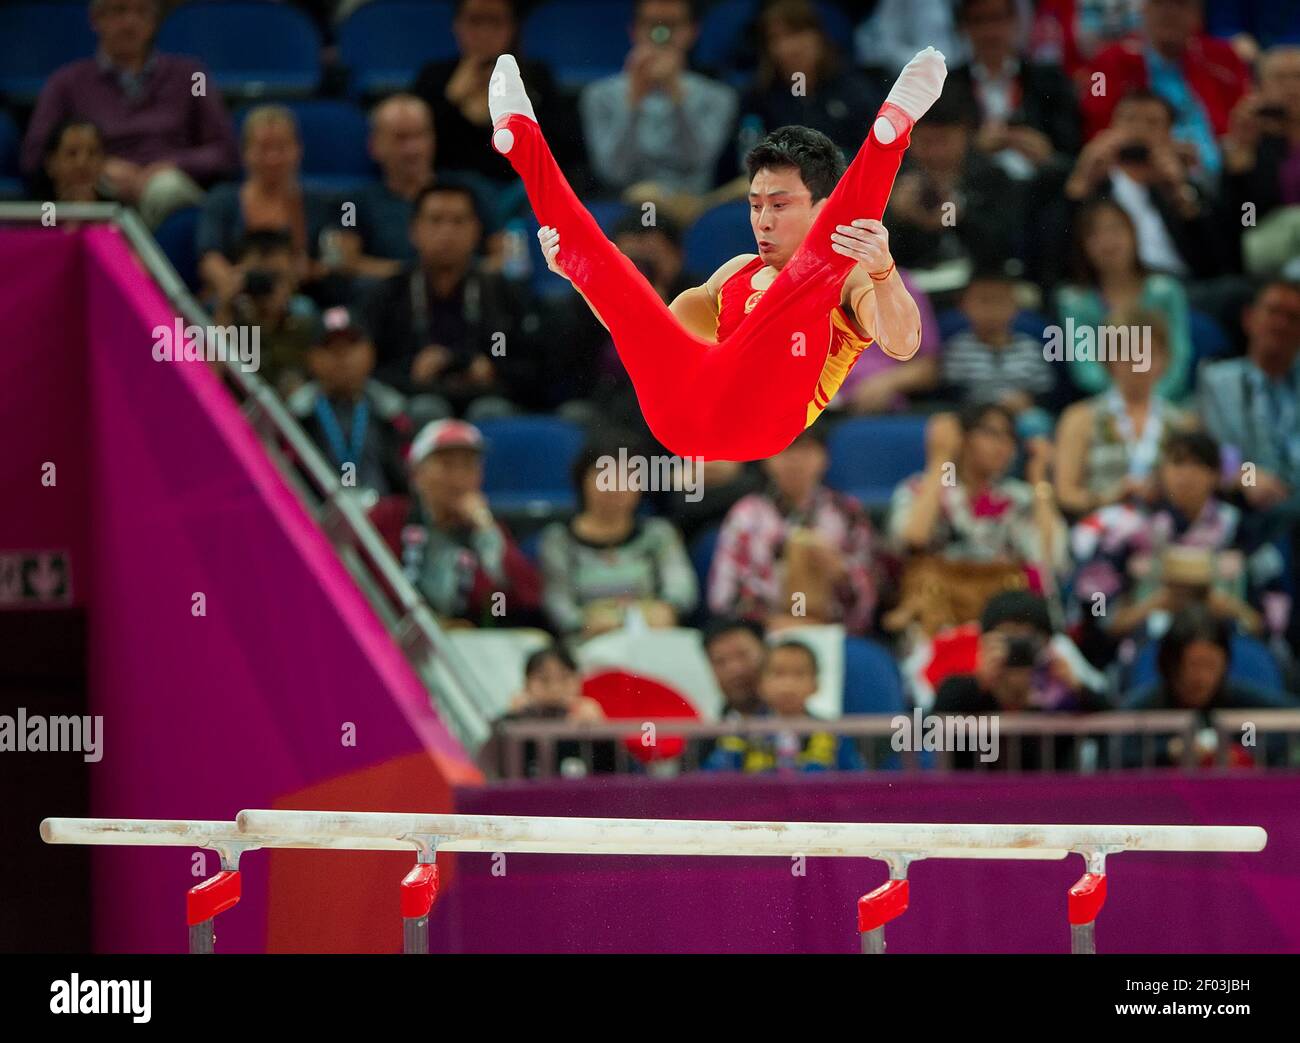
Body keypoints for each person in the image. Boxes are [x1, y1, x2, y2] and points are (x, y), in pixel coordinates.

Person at [493, 47, 947, 460]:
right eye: (755, 205)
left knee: (826, 265)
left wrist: (884, 273)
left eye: (781, 205)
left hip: (763, 425)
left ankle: (891, 132)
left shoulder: (851, 279)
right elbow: (646, 333)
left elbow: (903, 345)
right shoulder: (734, 273)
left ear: (822, 209)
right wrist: (586, 275)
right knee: (616, 275)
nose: (763, 221)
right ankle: (522, 139)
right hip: (678, 416)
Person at [20, 0, 238, 227]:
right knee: (81, 193)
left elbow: (224, 151)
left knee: (166, 189)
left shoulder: (194, 77)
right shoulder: (64, 82)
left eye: (141, 12)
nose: (130, 22)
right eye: (119, 10)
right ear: (96, 20)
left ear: (155, 22)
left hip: (169, 190)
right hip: (99, 188)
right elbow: (35, 155)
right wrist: (97, 165)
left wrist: (172, 164)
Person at [886, 404, 1068, 634]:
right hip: (940, 620)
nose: (1003, 445)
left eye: (1010, 437)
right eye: (991, 433)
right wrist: (941, 459)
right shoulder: (919, 489)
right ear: (962, 437)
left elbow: (1051, 557)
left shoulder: (1017, 497)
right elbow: (914, 538)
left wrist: (1040, 480)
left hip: (1003, 622)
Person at [364, 183, 542, 415]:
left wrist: (494, 369)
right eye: (436, 220)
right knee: (425, 410)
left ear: (476, 231)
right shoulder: (388, 294)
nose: (447, 232)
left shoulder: (504, 292)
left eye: (458, 221)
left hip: (487, 399)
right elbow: (368, 370)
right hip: (416, 401)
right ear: (414, 231)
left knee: (491, 411)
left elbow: (535, 366)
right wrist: (410, 371)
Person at [708, 427, 878, 635]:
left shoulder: (848, 513)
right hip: (763, 634)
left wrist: (841, 572)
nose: (795, 461)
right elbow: (723, 598)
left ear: (824, 457)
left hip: (833, 633)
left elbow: (869, 602)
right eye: (785, 450)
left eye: (805, 450)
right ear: (766, 459)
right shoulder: (746, 515)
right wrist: (768, 623)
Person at [932, 591, 1111, 770]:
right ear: (986, 641)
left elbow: (1113, 726)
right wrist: (979, 682)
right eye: (1008, 638)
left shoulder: (1059, 700)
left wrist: (1076, 686)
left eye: (1027, 639)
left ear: (1047, 643)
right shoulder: (961, 691)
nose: (1017, 649)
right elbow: (932, 727)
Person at [411, 0, 580, 190]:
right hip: (450, 193)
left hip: (521, 191)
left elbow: (562, 150)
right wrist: (451, 99)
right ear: (457, 26)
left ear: (512, 27)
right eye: (475, 21)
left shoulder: (535, 77)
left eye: (495, 22)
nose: (484, 33)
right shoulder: (434, 77)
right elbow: (418, 147)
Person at [537, 441, 698, 639]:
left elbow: (680, 585)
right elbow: (557, 601)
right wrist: (583, 623)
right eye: (603, 475)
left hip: (651, 636)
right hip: (587, 641)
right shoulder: (558, 540)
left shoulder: (659, 534)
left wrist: (668, 609)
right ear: (582, 479)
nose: (613, 486)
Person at [578, 0, 738, 197]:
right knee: (644, 195)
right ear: (633, 30)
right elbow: (613, 174)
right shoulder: (599, 95)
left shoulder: (719, 96)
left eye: (673, 25)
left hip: (691, 207)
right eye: (651, 24)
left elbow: (697, 162)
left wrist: (677, 97)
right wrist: (633, 101)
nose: (661, 35)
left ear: (692, 32)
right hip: (624, 208)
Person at [1080, 0, 1252, 177]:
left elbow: (1242, 118)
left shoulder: (1224, 58)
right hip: (1143, 173)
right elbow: (1096, 124)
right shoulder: (1107, 62)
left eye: (1181, 5)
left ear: (1199, 15)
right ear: (1143, 10)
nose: (1170, 13)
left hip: (1224, 177)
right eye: (1160, 3)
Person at [401, 418, 543, 628]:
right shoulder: (389, 518)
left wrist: (486, 528)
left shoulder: (488, 530)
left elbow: (527, 597)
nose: (458, 478)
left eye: (468, 466)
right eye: (446, 465)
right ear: (417, 473)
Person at [1063, 90, 1219, 279]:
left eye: (1152, 123)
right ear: (1112, 127)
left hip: (1179, 283)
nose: (1139, 130)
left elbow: (1218, 262)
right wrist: (1082, 180)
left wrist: (1181, 194)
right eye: (1129, 120)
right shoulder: (1094, 182)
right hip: (1112, 286)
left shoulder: (1183, 186)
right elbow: (1058, 250)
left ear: (1169, 134)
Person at [1054, 310, 1195, 518]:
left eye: (1147, 352)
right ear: (1108, 360)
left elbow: (1199, 491)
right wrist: (1109, 498)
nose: (1137, 362)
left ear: (1164, 360)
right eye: (1127, 353)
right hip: (1099, 531)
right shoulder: (1080, 419)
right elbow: (1065, 494)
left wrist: (1166, 491)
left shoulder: (1184, 424)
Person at [1120, 605, 1299, 767]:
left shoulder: (1239, 699)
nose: (1201, 678)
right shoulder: (1141, 708)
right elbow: (1118, 752)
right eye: (1193, 665)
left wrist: (1243, 751)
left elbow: (1291, 722)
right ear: (1169, 664)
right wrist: (1167, 751)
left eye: (1211, 665)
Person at [1053, 198, 1193, 400]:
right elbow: (1085, 368)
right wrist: (1124, 402)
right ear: (1082, 245)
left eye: (1115, 229)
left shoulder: (1167, 291)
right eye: (1095, 234)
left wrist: (1152, 402)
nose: (1107, 241)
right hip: (1105, 405)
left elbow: (1179, 356)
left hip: (1168, 401)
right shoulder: (1074, 301)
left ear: (1134, 234)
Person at [196, 106, 336, 306]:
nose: (272, 158)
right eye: (263, 148)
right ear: (245, 152)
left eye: (281, 148)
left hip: (295, 303)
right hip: (235, 298)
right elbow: (209, 257)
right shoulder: (222, 200)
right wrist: (233, 284)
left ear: (298, 150)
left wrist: (305, 271)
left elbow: (329, 263)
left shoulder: (315, 204)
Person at [1198, 280, 1300, 540]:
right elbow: (1219, 452)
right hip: (1253, 508)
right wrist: (1250, 477)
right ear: (1249, 319)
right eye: (1273, 312)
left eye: (1293, 318)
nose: (1280, 325)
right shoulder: (1218, 381)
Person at [289, 305, 412, 501]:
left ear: (370, 353)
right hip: (315, 517)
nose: (342, 356)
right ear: (311, 358)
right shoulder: (295, 417)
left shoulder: (392, 412)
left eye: (351, 346)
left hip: (383, 518)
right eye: (330, 347)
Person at [739, 0, 885, 162]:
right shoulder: (758, 99)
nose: (788, 48)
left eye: (796, 34)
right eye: (776, 38)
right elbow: (742, 161)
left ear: (819, 37)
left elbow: (881, 150)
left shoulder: (852, 91)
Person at [703, 641, 865, 772]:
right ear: (761, 684)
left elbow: (854, 781)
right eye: (778, 674)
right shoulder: (742, 732)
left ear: (815, 684)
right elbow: (716, 777)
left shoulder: (833, 734)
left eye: (799, 674)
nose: (788, 685)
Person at [210, 230, 321, 398]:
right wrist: (224, 310)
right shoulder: (217, 319)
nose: (267, 286)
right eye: (259, 277)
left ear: (293, 280)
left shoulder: (305, 326)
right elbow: (205, 386)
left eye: (277, 277)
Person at [941, 265, 1055, 427]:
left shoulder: (1031, 348)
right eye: (984, 301)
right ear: (963, 305)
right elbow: (953, 396)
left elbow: (1044, 394)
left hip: (1021, 419)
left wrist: (1027, 401)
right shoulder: (956, 349)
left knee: (1037, 421)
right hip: (973, 422)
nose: (992, 310)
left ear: (1015, 306)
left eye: (1000, 301)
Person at [489, 645, 611, 778]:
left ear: (578, 680)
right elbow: (490, 769)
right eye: (544, 680)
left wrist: (601, 731)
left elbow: (620, 771)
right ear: (527, 683)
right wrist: (513, 718)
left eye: (564, 678)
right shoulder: (513, 720)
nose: (555, 688)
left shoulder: (590, 718)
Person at [701, 617, 767, 719]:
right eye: (720, 661)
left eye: (743, 655)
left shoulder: (794, 724)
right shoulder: (708, 731)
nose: (735, 669)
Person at [36, 120, 108, 203]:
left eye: (92, 153)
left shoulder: (119, 211)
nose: (82, 163)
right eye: (72, 153)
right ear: (51, 163)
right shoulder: (28, 211)